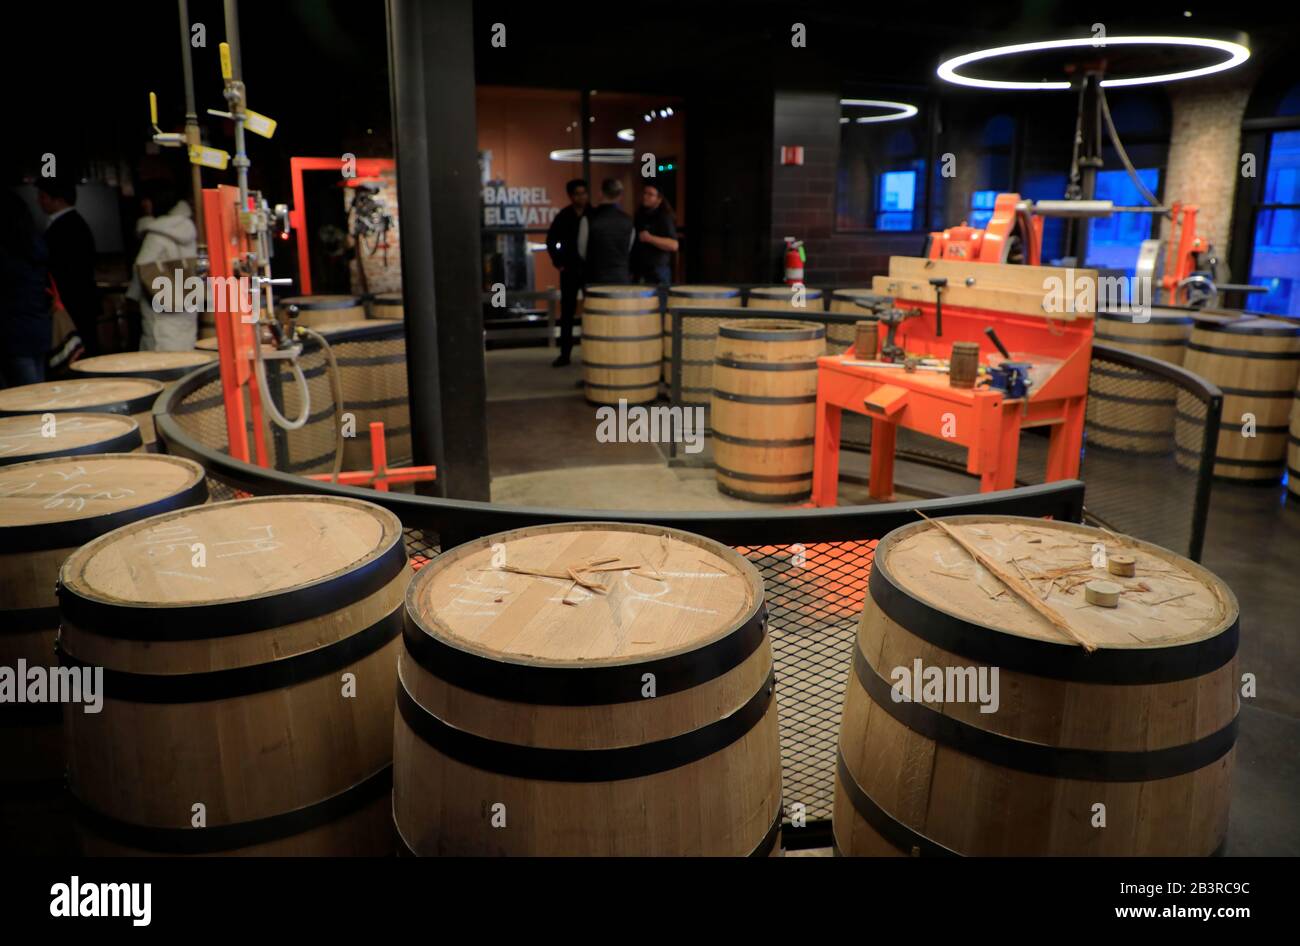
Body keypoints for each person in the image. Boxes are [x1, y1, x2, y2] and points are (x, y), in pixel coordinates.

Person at [126, 182, 199, 351]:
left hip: (161, 312)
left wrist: (131, 297)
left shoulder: (155, 236)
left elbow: (141, 271)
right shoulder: (188, 231)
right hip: (187, 308)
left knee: (161, 363)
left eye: (147, 200)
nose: (144, 204)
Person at [36, 178, 100, 355]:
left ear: (58, 199)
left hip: (72, 301)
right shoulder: (73, 222)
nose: (39, 202)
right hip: (79, 300)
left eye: (43, 196)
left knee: (78, 354)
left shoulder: (66, 226)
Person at [0, 191, 53, 387]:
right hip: (38, 327)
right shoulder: (35, 247)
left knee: (24, 397)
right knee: (36, 390)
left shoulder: (7, 256)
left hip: (12, 333)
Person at [545, 178, 589, 367]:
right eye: (577, 194)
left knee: (593, 311)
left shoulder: (592, 214)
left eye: (584, 193)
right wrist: (559, 263)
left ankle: (591, 353)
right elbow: (551, 240)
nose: (582, 197)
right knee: (567, 313)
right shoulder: (564, 215)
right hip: (570, 268)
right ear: (571, 196)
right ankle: (565, 354)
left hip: (588, 270)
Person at [577, 178, 635, 287]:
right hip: (621, 278)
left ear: (600, 193)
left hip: (594, 277)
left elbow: (582, 250)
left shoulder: (588, 219)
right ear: (619, 196)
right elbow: (628, 248)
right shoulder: (628, 221)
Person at [631, 183, 679, 285]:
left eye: (650, 194)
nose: (645, 196)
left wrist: (650, 238)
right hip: (641, 269)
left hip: (658, 270)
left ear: (659, 199)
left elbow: (674, 245)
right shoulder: (640, 214)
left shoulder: (664, 217)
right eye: (644, 193)